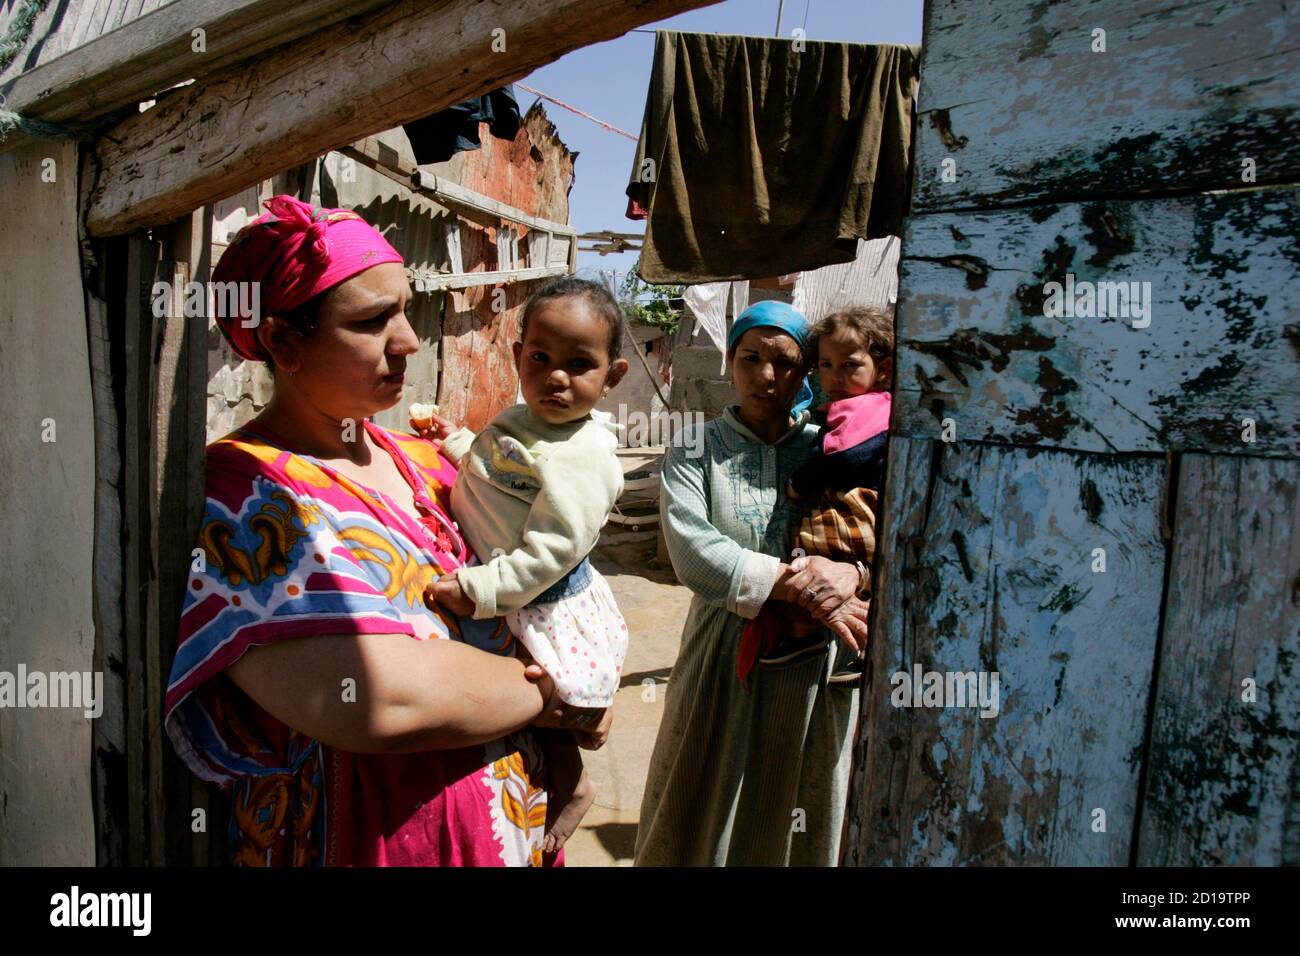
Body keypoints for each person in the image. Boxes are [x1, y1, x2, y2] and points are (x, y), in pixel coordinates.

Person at [165, 195, 605, 867]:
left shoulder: (426, 462)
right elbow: (375, 699)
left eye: (404, 308)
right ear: (284, 341)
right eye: (373, 320)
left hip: (510, 824)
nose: (408, 339)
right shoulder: (244, 491)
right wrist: (560, 694)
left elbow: (557, 577)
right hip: (363, 841)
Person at [634, 300, 873, 866]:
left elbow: (881, 525)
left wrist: (858, 573)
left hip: (818, 657)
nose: (767, 377)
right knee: (703, 788)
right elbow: (694, 552)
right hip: (722, 652)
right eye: (751, 359)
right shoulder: (697, 448)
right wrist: (805, 586)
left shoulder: (832, 446)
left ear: (808, 371)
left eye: (787, 363)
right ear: (730, 362)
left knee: (801, 793)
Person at [421, 277, 631, 852]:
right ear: (518, 357)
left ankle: (572, 785)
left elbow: (550, 552)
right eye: (540, 357)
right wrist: (457, 443)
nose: (556, 376)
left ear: (612, 377)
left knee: (546, 699)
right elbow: (501, 476)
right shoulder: (522, 420)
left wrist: (480, 590)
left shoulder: (584, 457)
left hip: (541, 600)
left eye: (579, 364)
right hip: (515, 591)